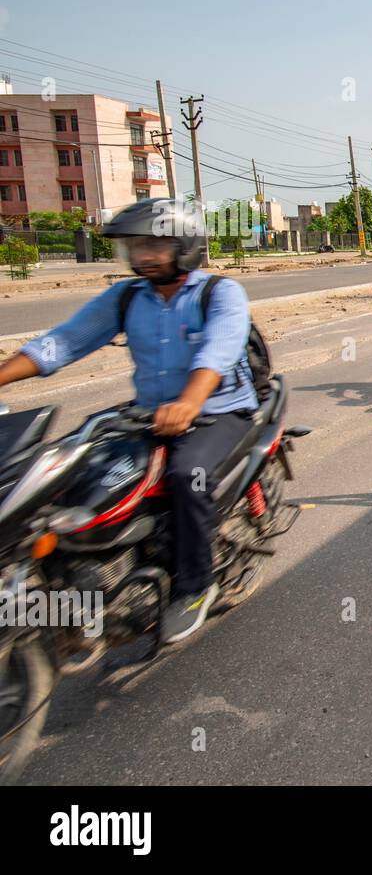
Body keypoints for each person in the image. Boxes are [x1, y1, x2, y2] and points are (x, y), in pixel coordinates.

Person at [0, 199, 259, 644]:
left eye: (156, 244)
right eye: (137, 246)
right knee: (65, 470)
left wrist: (190, 403)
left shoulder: (220, 292)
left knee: (187, 475)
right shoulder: (126, 297)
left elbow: (216, 353)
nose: (144, 255)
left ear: (185, 244)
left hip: (219, 410)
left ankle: (195, 586)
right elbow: (62, 343)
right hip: (147, 414)